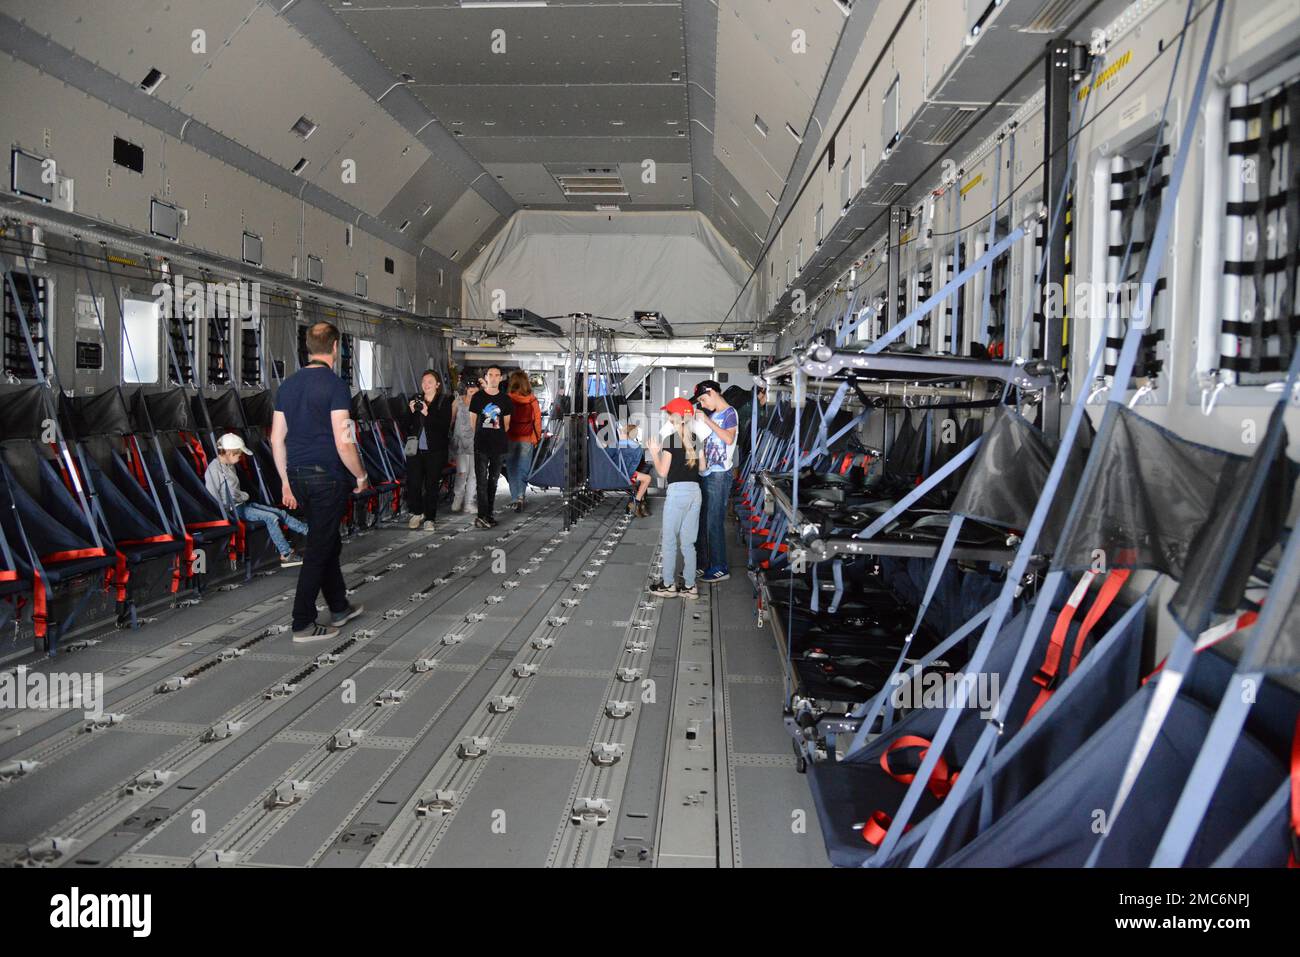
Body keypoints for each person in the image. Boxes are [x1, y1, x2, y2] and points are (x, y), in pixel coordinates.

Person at [271, 321, 368, 642]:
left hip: (297, 476)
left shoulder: (288, 386)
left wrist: (285, 482)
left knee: (327, 541)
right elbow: (344, 441)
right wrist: (360, 474)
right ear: (336, 347)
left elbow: (276, 438)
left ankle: (339, 606)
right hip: (327, 478)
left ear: (307, 347)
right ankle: (302, 621)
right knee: (318, 548)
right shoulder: (335, 385)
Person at [205, 432, 305, 567]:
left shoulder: (229, 464)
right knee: (271, 517)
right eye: (238, 454)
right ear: (229, 452)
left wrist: (242, 496)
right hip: (232, 510)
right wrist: (229, 511)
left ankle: (311, 533)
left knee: (280, 513)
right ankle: (286, 554)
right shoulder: (213, 469)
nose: (240, 457)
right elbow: (212, 497)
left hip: (242, 505)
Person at [648, 398, 702, 599]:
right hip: (696, 493)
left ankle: (669, 585)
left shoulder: (671, 440)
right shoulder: (696, 438)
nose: (667, 417)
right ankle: (690, 586)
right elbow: (703, 468)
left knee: (670, 541)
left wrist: (655, 453)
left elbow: (662, 472)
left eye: (669, 414)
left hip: (677, 493)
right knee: (689, 543)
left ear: (674, 417)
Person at [691, 379, 738, 584]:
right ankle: (703, 563)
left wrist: (707, 421)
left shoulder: (730, 413)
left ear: (712, 392)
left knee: (713, 522)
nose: (702, 403)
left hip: (720, 474)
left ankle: (719, 567)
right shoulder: (711, 414)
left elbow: (728, 439)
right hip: (706, 473)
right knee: (701, 521)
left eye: (703, 398)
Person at [405, 369, 454, 531]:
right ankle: (417, 512)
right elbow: (406, 425)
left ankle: (430, 518)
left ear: (437, 385)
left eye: (430, 382)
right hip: (415, 449)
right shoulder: (416, 400)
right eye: (424, 382)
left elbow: (443, 426)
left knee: (432, 484)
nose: (426, 385)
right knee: (414, 483)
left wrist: (427, 413)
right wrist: (410, 412)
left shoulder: (444, 401)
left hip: (435, 450)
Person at [468, 364, 514, 528]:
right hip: (481, 444)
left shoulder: (505, 399)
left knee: (493, 481)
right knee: (481, 480)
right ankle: (481, 515)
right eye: (491, 375)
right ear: (486, 377)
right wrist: (483, 434)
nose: (493, 378)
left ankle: (489, 514)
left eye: (497, 375)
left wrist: (496, 434)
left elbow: (506, 425)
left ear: (500, 378)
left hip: (499, 444)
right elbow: (473, 422)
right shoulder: (478, 398)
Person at [503, 370, 542, 512]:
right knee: (523, 469)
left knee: (512, 469)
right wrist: (537, 438)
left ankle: (515, 498)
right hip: (527, 438)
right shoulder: (532, 400)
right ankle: (520, 496)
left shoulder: (507, 399)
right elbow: (537, 421)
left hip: (510, 438)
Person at [451, 379, 479, 513]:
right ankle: (458, 498)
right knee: (462, 472)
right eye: (470, 389)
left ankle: (469, 502)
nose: (472, 392)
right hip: (460, 441)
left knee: (473, 474)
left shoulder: (481, 404)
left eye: (475, 390)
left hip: (475, 441)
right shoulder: (458, 401)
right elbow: (450, 420)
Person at [620, 423, 652, 517]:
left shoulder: (616, 444)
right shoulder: (636, 447)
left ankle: (639, 504)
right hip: (626, 476)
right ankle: (637, 503)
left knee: (643, 473)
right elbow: (635, 465)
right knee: (647, 477)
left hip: (614, 474)